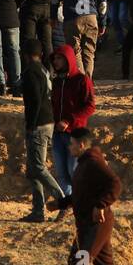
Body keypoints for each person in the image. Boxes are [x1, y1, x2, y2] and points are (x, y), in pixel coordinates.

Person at [48, 127, 127, 265]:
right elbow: (81, 194)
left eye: (72, 144)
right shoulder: (83, 164)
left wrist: (101, 205)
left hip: (96, 223)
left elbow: (115, 184)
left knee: (79, 262)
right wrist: (60, 204)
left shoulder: (93, 162)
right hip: (86, 224)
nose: (69, 147)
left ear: (81, 145)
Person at [17, 39, 65, 222]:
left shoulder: (30, 72)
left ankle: (63, 200)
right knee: (32, 169)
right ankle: (38, 211)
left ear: (25, 55)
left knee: (38, 167)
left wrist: (31, 124)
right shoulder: (44, 69)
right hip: (47, 121)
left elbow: (35, 100)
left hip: (38, 124)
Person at [50, 45, 95, 196]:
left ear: (68, 59)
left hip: (75, 136)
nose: (55, 61)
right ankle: (67, 206)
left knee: (73, 172)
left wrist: (68, 121)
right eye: (54, 58)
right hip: (57, 134)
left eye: (59, 58)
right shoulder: (56, 82)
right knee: (62, 174)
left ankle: (82, 202)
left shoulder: (82, 80)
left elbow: (90, 106)